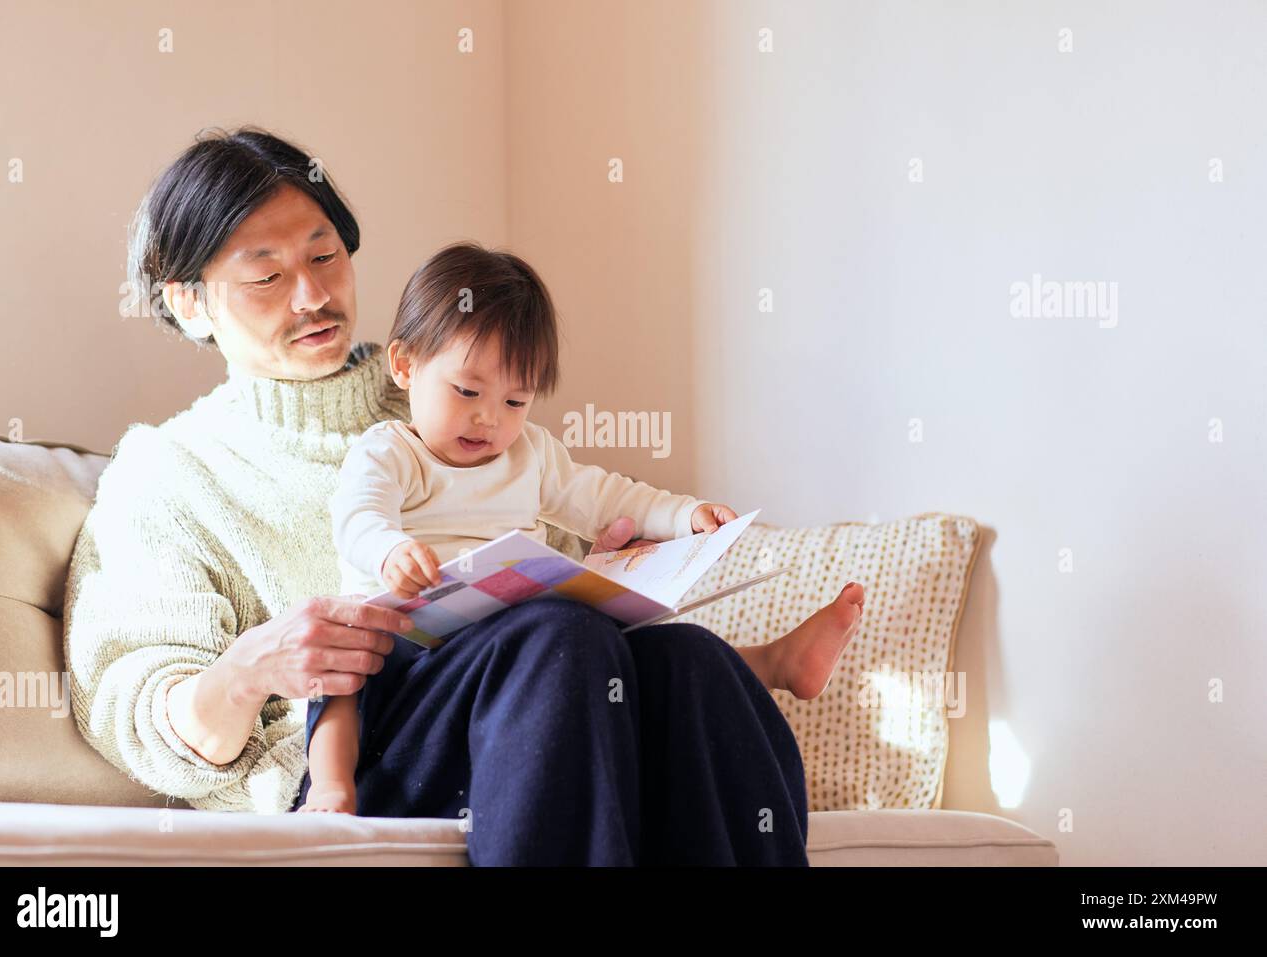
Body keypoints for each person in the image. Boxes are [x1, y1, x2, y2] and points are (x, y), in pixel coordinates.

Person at [63, 126, 864, 865]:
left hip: (532, 691)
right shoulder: (166, 473)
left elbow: (546, 543)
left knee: (690, 664)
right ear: (188, 301)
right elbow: (129, 708)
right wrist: (249, 670)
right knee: (557, 640)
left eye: (325, 255)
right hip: (359, 746)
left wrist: (617, 559)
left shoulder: (460, 395)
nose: (311, 296)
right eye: (266, 275)